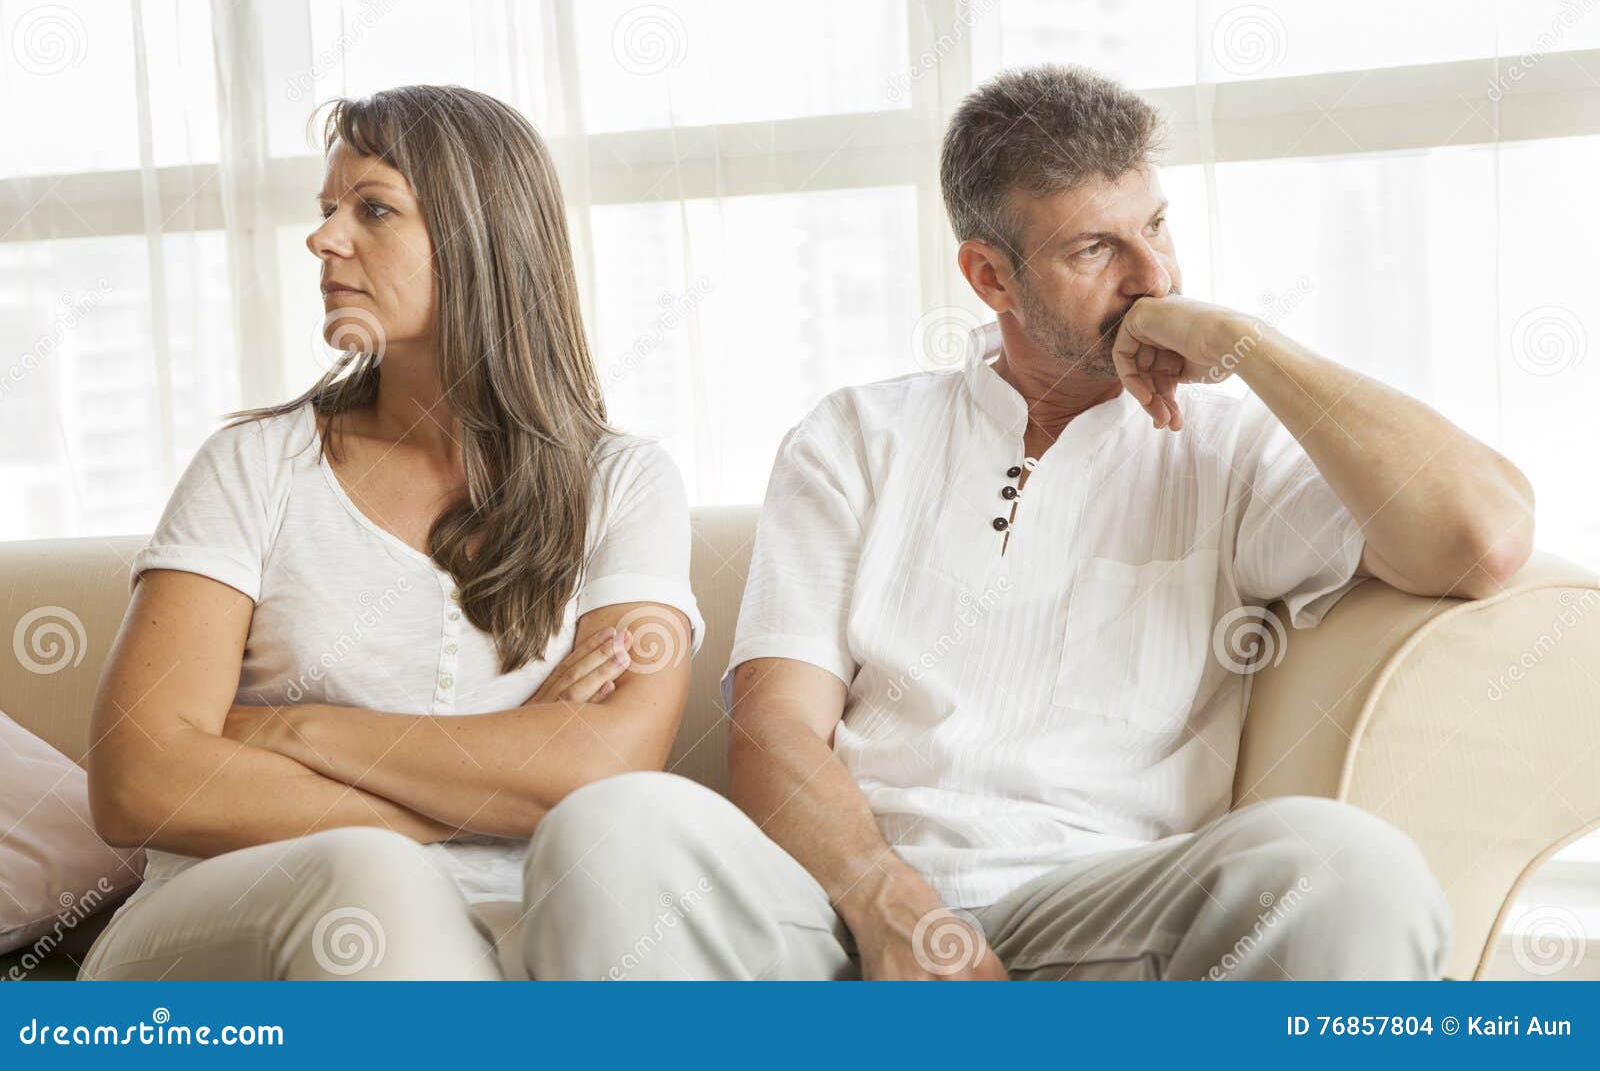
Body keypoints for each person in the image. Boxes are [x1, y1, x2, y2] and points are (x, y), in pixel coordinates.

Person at [521, 64, 1535, 980]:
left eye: (1159, 227)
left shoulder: (1232, 450)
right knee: (611, 825)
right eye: (1097, 247)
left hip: (1109, 917)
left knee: (1350, 865)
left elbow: (1480, 537)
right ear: (988, 276)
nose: (1154, 279)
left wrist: (1248, 343)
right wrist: (892, 907)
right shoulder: (856, 436)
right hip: (841, 917)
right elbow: (775, 730)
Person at [80, 85, 702, 981]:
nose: (323, 239)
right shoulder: (252, 466)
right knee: (371, 872)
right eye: (328, 210)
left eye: (372, 210)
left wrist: (295, 733)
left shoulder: (624, 484)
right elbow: (138, 781)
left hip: (508, 927)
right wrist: (501, 777)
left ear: (482, 238)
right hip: (225, 916)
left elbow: (603, 773)